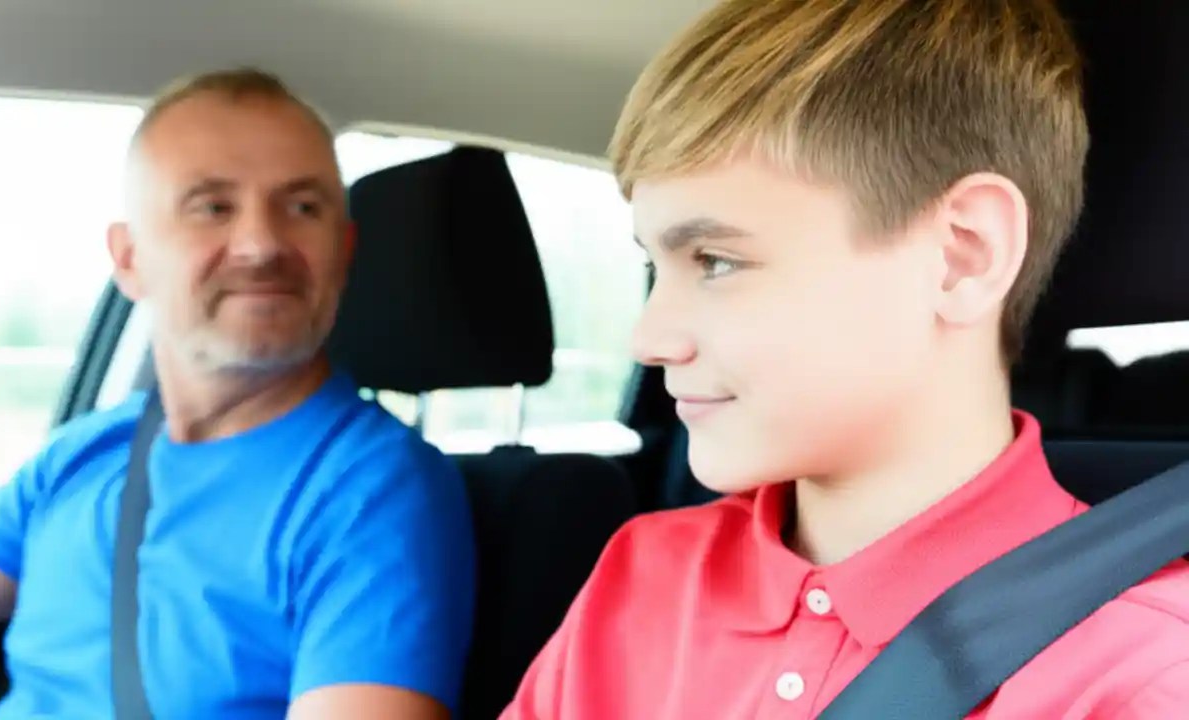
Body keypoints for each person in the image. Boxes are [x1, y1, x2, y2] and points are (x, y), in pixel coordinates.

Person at [502, 1, 1189, 718]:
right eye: (656, 265)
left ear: (960, 257)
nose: (650, 339)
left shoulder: (1144, 670)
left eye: (715, 261)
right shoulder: (644, 574)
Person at [0, 68, 475, 719]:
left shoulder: (372, 492)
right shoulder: (83, 456)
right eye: (212, 206)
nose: (262, 244)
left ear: (343, 252)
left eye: (303, 207)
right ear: (129, 259)